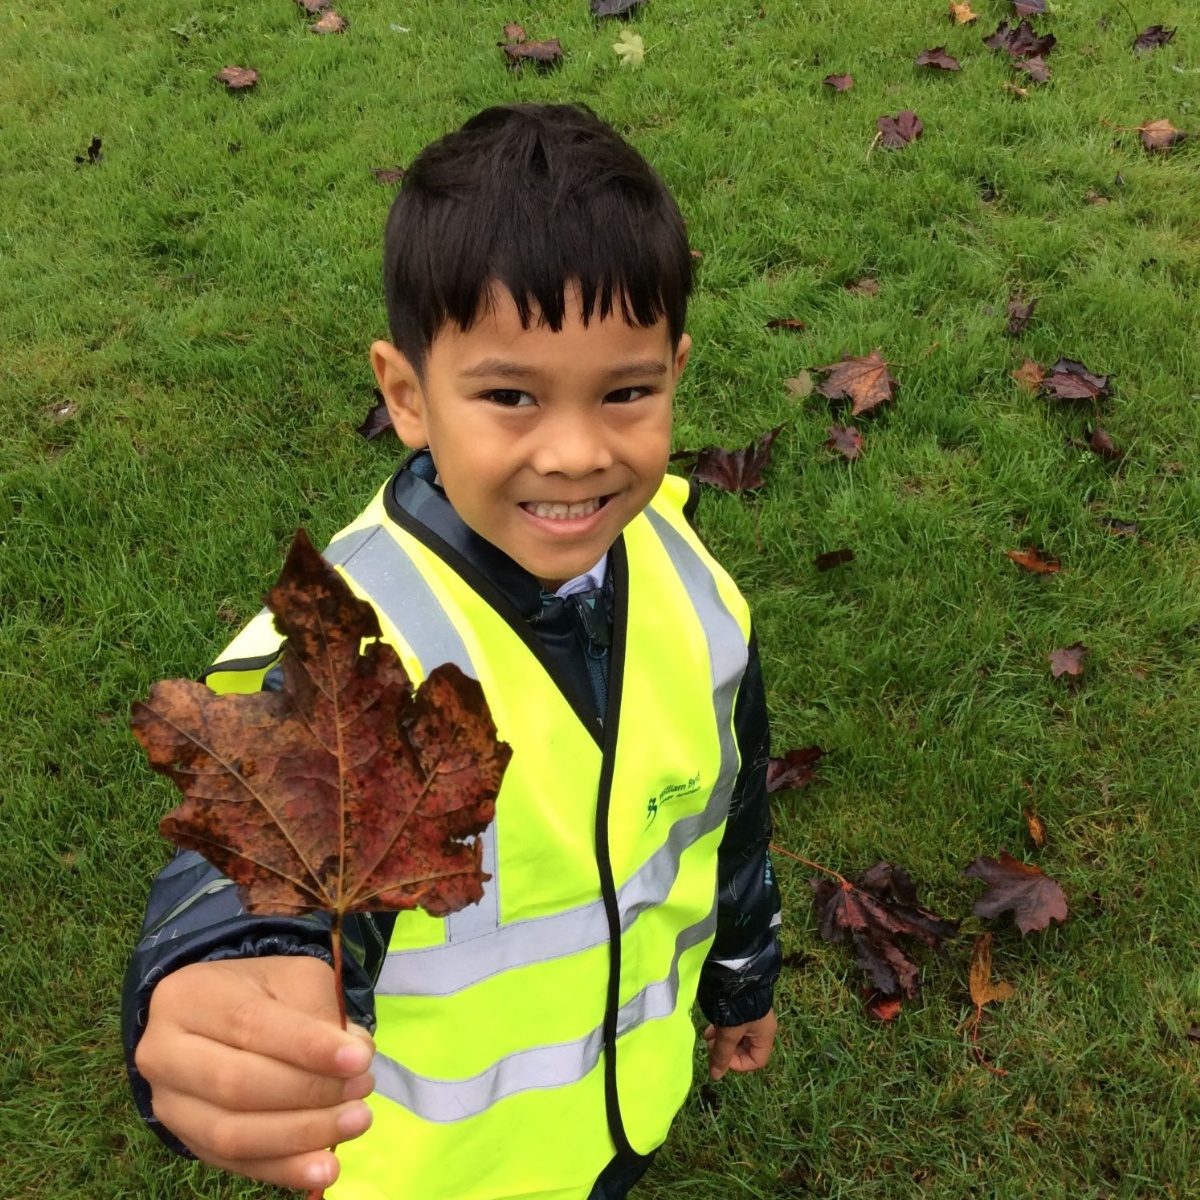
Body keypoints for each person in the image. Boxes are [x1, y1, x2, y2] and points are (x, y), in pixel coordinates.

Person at [122, 102, 782, 1200]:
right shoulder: (359, 640)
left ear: (677, 367)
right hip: (431, 1173)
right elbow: (262, 852)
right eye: (510, 397)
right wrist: (217, 966)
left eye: (627, 392)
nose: (574, 452)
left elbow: (729, 809)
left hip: (615, 1124)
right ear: (407, 395)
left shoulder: (691, 585)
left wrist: (743, 973)